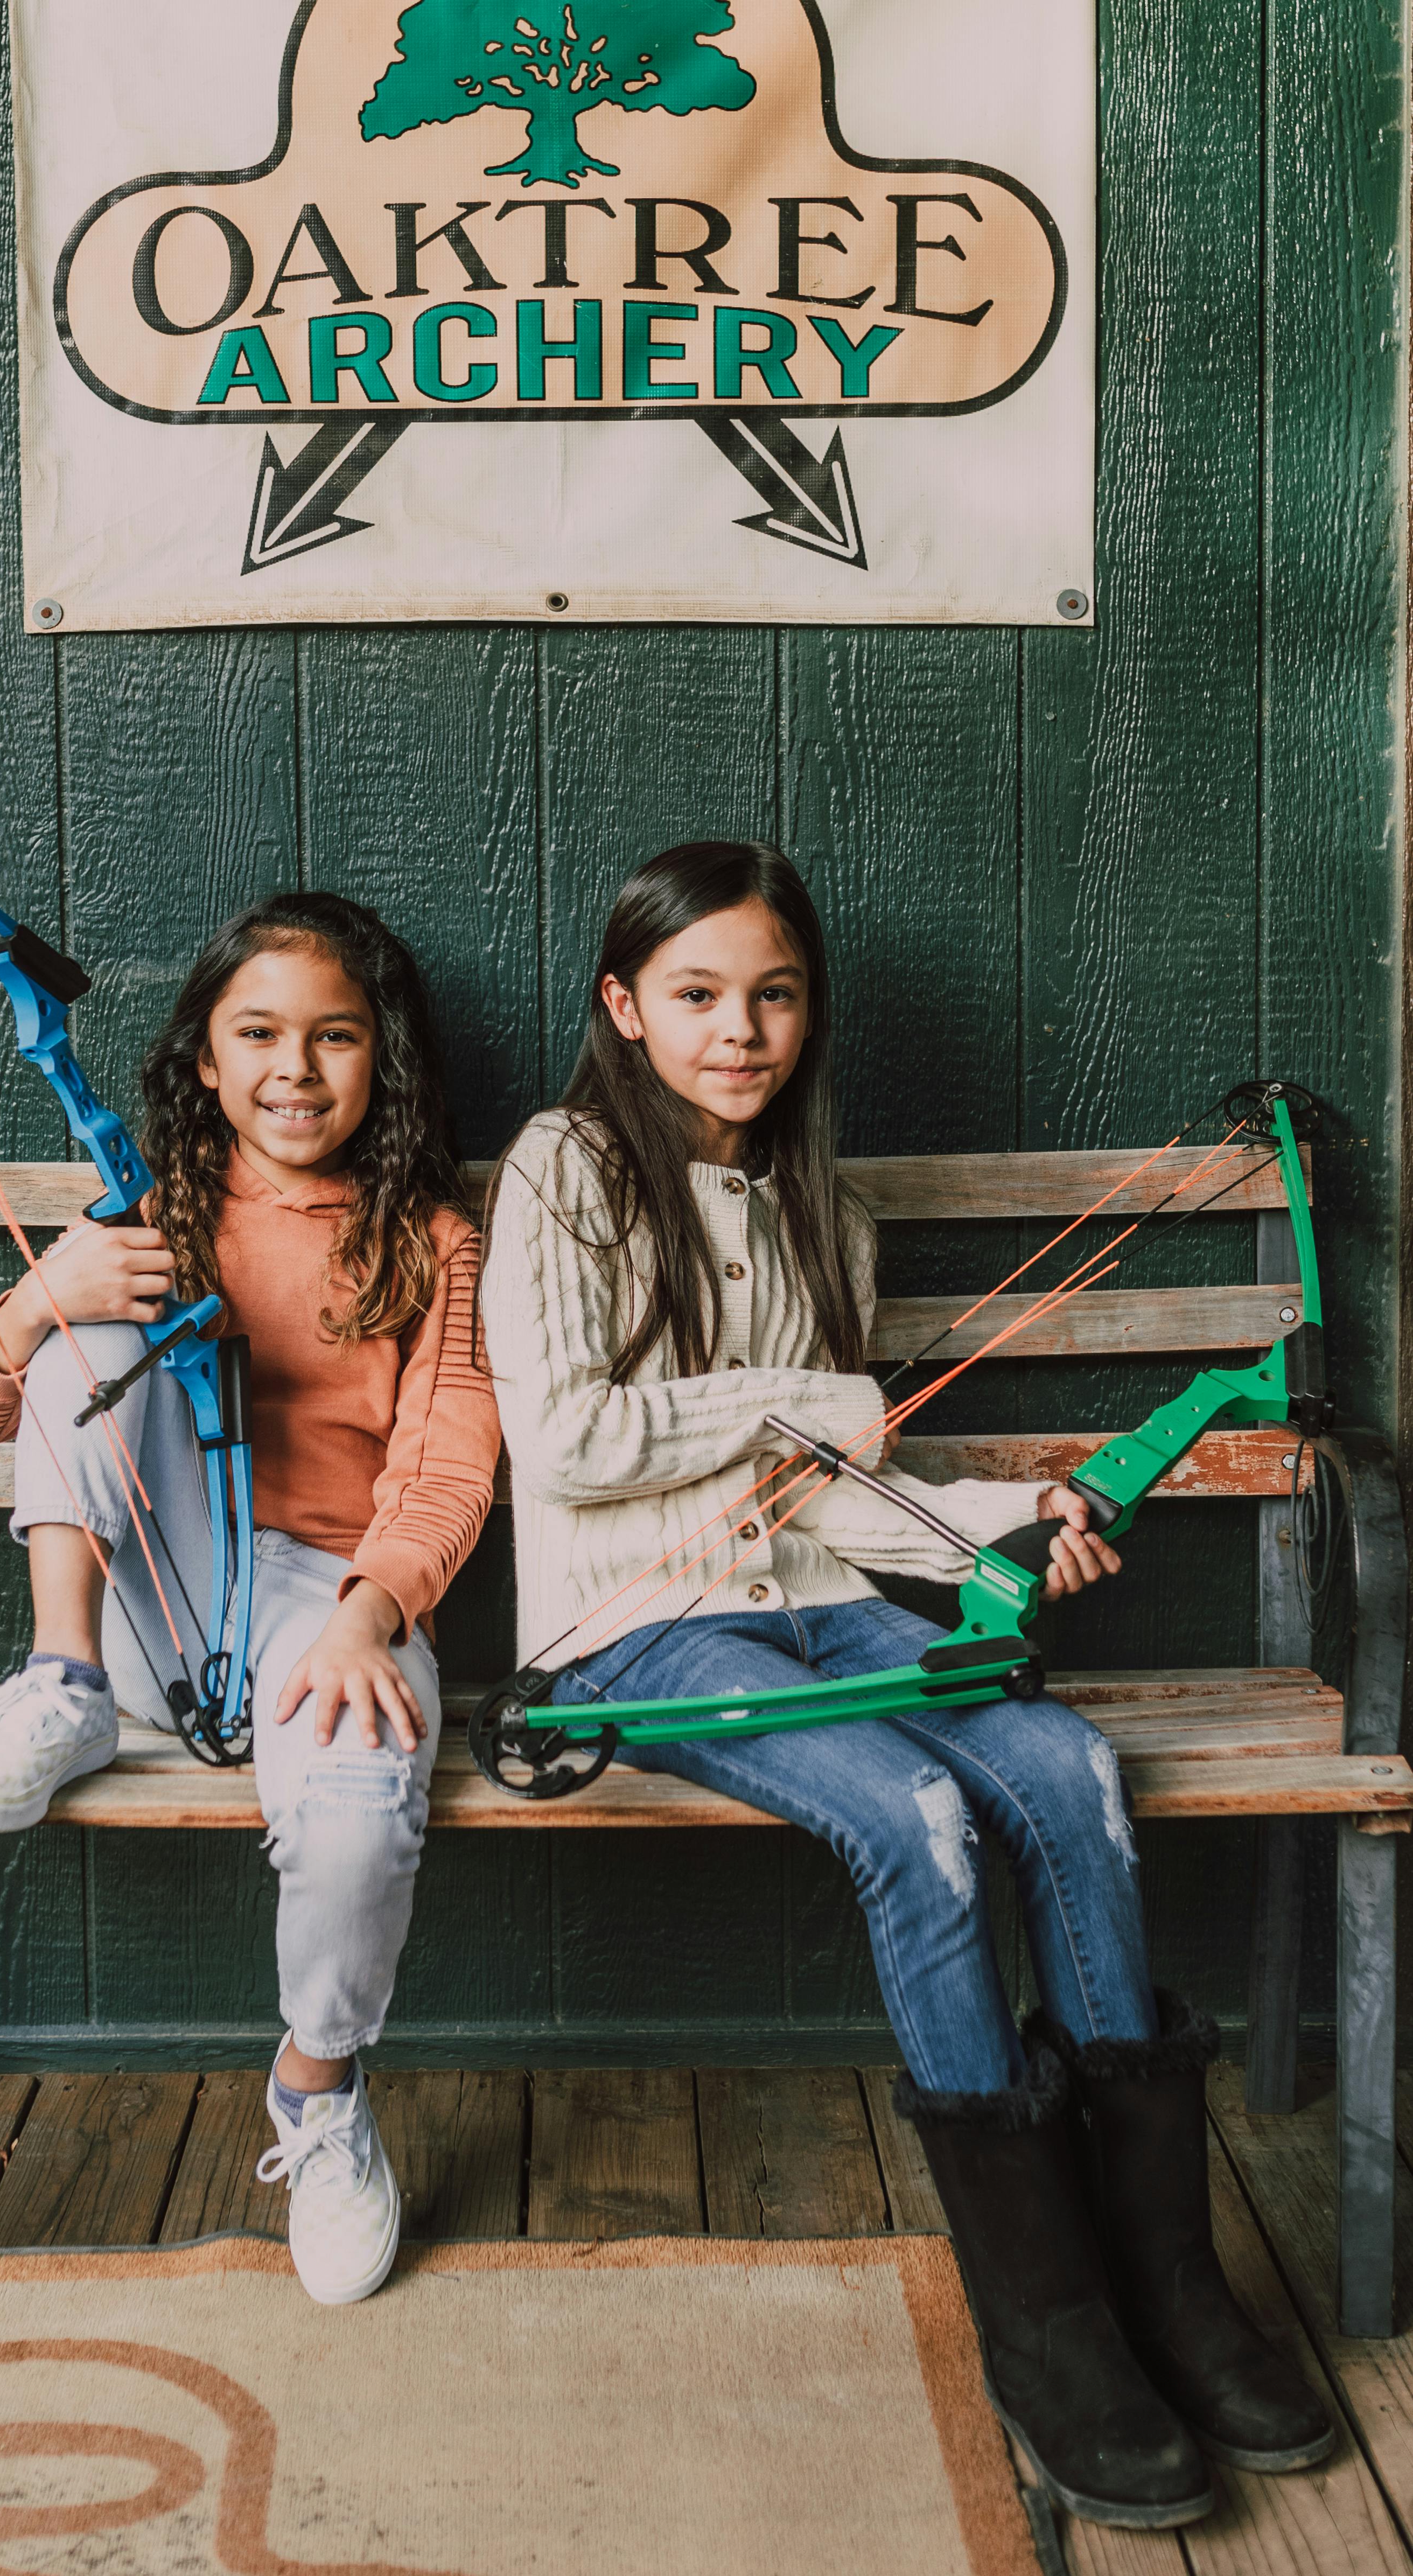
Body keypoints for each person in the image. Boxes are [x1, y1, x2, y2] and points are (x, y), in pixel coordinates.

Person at [479, 840, 1331, 2529]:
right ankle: (1046, 2322)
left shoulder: (824, 1208)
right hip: (637, 1635)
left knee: (1070, 1777)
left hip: (822, 1598)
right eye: (702, 994)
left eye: (775, 995)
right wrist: (803, 1396)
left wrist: (1029, 1513)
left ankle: (1164, 2279)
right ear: (623, 1007)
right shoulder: (564, 1167)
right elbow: (566, 1446)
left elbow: (838, 1497)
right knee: (925, 1819)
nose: (742, 1030)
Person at [0, 892, 500, 2307]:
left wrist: (377, 1611)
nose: (294, 1068)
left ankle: (318, 2091)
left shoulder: (432, 1237)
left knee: (365, 1804)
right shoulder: (146, 1214)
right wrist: (40, 1296)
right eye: (257, 1033)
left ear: (386, 1064)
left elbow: (448, 1460)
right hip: (140, 1595)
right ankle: (55, 1682)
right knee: (89, 1333)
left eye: (334, 1037)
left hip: (326, 1597)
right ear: (204, 1059)